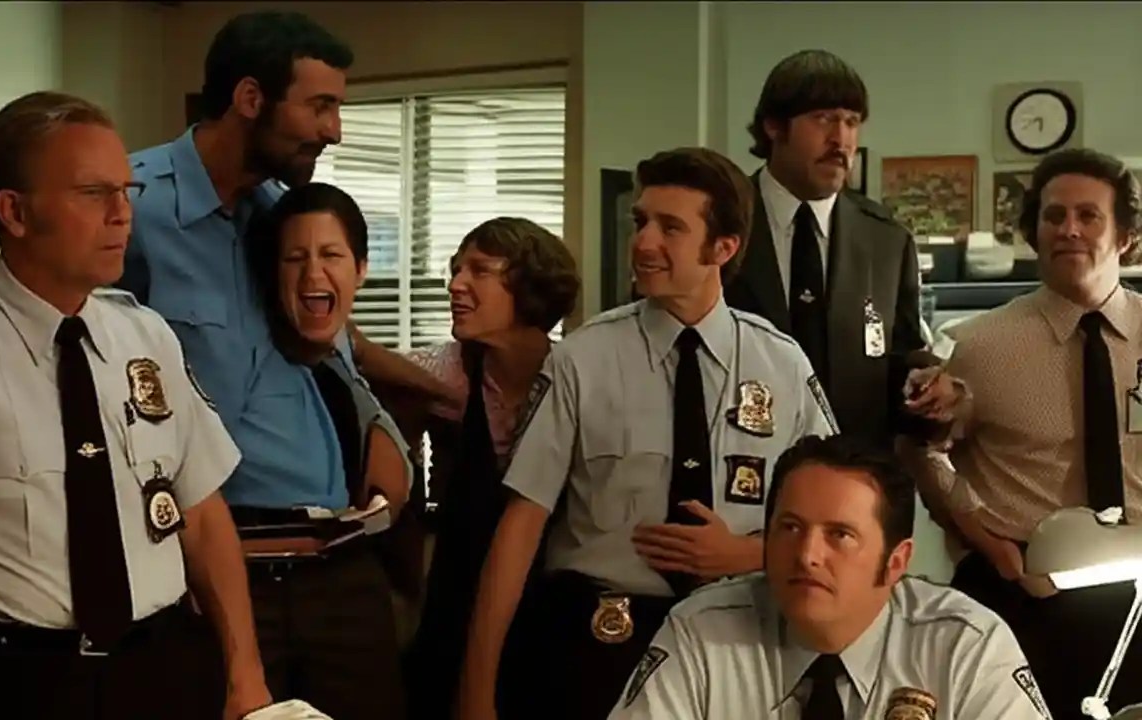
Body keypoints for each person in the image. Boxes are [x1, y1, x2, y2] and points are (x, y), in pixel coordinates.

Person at [0, 91, 270, 720]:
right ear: (15, 212)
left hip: (159, 671)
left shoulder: (148, 338)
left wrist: (245, 677)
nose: (122, 215)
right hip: (4, 681)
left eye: (126, 191)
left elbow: (203, 515)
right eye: (92, 194)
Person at [119, 13, 434, 718]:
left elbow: (335, 358)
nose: (335, 130)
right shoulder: (131, 208)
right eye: (320, 107)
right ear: (252, 98)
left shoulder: (288, 219)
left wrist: (403, 416)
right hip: (217, 569)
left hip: (337, 566)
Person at [458, 147, 840, 720]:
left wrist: (743, 553)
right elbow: (521, 525)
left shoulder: (780, 364)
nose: (643, 243)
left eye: (671, 227)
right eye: (640, 221)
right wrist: (476, 693)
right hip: (603, 644)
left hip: (741, 643)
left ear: (723, 247)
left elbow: (839, 515)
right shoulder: (584, 358)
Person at [919, 147, 1142, 719]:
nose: (1068, 229)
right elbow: (922, 453)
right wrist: (977, 534)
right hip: (1025, 598)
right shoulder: (977, 345)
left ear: (1126, 237)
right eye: (1053, 216)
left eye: (1089, 216)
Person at [608, 434, 1051, 720]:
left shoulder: (966, 647)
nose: (807, 555)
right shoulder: (701, 632)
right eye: (791, 527)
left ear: (896, 562)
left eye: (840, 535)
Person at [239, 181, 413, 719]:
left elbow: (356, 361)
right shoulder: (238, 346)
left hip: (347, 577)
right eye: (296, 258)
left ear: (361, 269)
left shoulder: (336, 339)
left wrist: (437, 397)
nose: (314, 273)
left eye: (331, 255)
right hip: (254, 583)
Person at [400, 217, 580, 720]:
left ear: (529, 284)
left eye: (479, 270)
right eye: (456, 270)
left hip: (551, 621)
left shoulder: (576, 377)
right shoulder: (447, 370)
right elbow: (368, 367)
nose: (456, 284)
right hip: (454, 616)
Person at [724, 49, 949, 448]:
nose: (840, 139)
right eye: (823, 119)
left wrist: (929, 384)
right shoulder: (722, 219)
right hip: (740, 467)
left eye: (851, 122)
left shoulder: (886, 239)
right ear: (774, 126)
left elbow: (901, 355)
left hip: (853, 476)